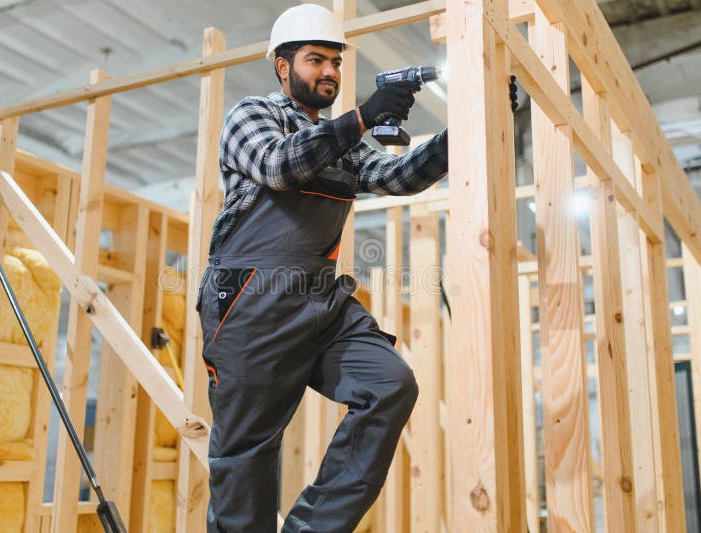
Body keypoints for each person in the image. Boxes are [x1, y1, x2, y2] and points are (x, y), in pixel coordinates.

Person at [196, 4, 512, 531]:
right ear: (283, 67)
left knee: (390, 384)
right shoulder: (251, 117)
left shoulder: (343, 145)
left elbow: (400, 175)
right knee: (246, 457)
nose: (330, 72)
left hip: (318, 303)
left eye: (336, 62)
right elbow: (278, 166)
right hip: (249, 304)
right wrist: (362, 116)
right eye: (315, 59)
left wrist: (470, 126)